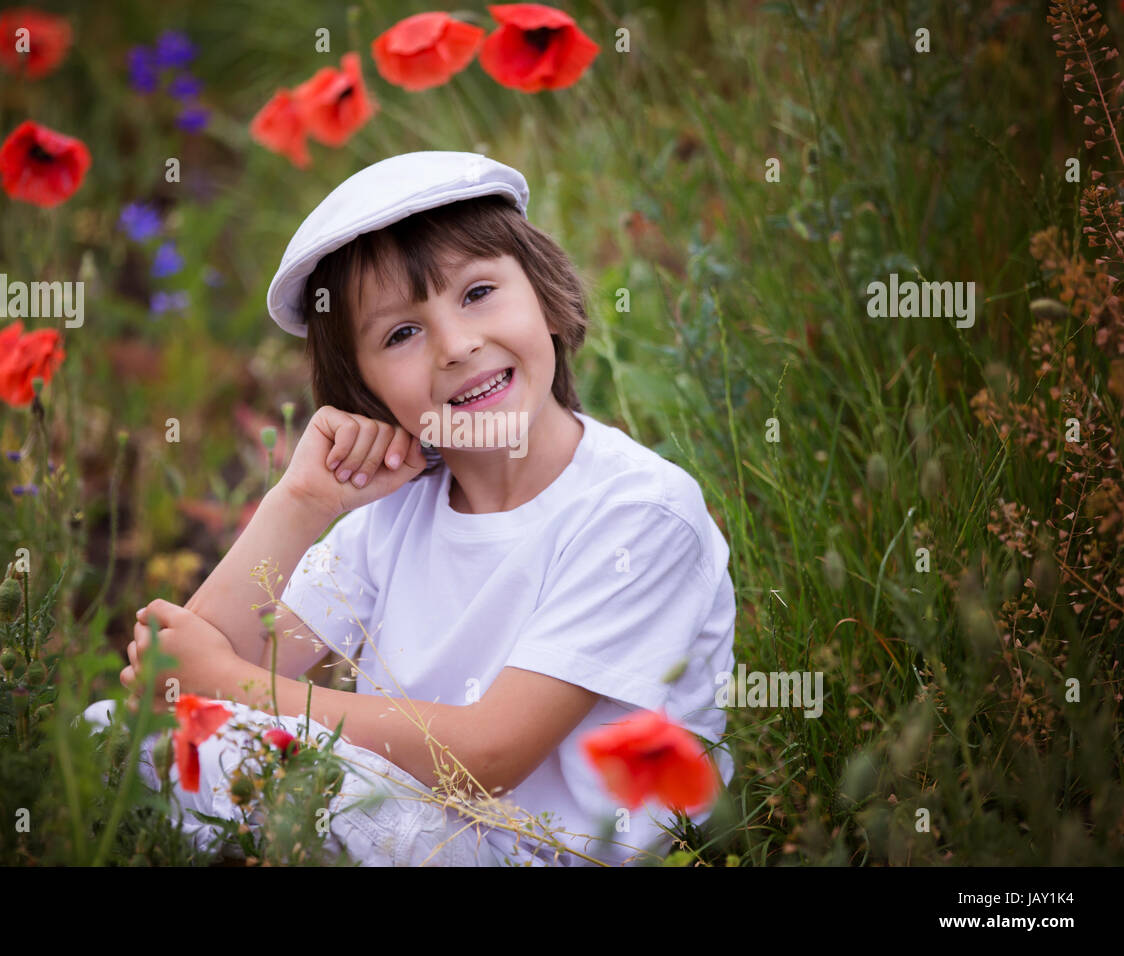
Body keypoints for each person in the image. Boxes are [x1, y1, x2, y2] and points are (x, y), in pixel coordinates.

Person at [81, 150, 737, 866]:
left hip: (550, 850)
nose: (457, 345)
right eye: (401, 334)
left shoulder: (638, 511)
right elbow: (186, 674)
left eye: (479, 292)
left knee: (236, 765)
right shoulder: (392, 520)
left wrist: (224, 683)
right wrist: (300, 501)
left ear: (546, 297)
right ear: (364, 391)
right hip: (417, 820)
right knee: (116, 733)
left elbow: (492, 752)